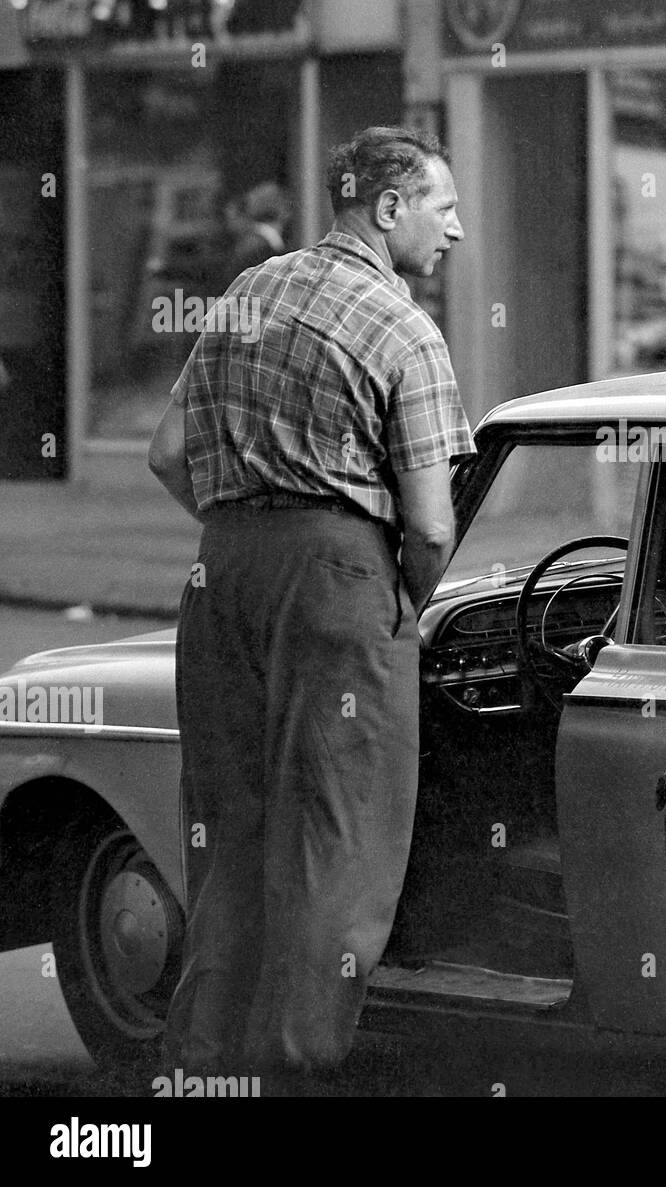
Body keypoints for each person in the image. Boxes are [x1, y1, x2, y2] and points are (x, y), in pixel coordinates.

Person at [146, 125, 474, 1086]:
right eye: (443, 209)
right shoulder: (404, 329)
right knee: (339, 840)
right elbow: (432, 525)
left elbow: (169, 452)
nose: (455, 231)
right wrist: (395, 598)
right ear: (388, 208)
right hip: (338, 581)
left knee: (229, 835)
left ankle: (206, 1068)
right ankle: (293, 1068)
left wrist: (237, 531)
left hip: (223, 575)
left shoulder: (252, 289)